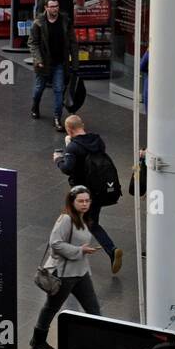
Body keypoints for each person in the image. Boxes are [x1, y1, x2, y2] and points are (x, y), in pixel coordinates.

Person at [30, 187, 103, 349]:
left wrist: (82, 251)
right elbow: (55, 243)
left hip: (81, 272)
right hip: (64, 275)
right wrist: (80, 250)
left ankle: (99, 342)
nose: (85, 204)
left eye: (87, 200)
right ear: (72, 202)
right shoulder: (66, 219)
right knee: (51, 307)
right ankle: (37, 340)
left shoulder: (84, 218)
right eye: (81, 201)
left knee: (93, 309)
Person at [54, 115, 123, 273]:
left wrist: (58, 159)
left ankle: (68, 257)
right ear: (82, 125)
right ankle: (111, 250)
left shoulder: (73, 147)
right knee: (90, 223)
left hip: (81, 193)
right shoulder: (98, 141)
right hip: (99, 191)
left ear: (69, 130)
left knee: (72, 221)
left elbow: (68, 168)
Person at [28, 0, 78, 132]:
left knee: (58, 90)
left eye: (56, 6)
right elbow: (33, 43)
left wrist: (74, 63)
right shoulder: (38, 23)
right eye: (51, 6)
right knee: (39, 88)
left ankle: (57, 118)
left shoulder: (65, 21)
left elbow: (73, 43)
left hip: (60, 63)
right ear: (46, 8)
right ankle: (35, 106)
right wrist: (38, 60)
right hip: (43, 63)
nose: (54, 9)